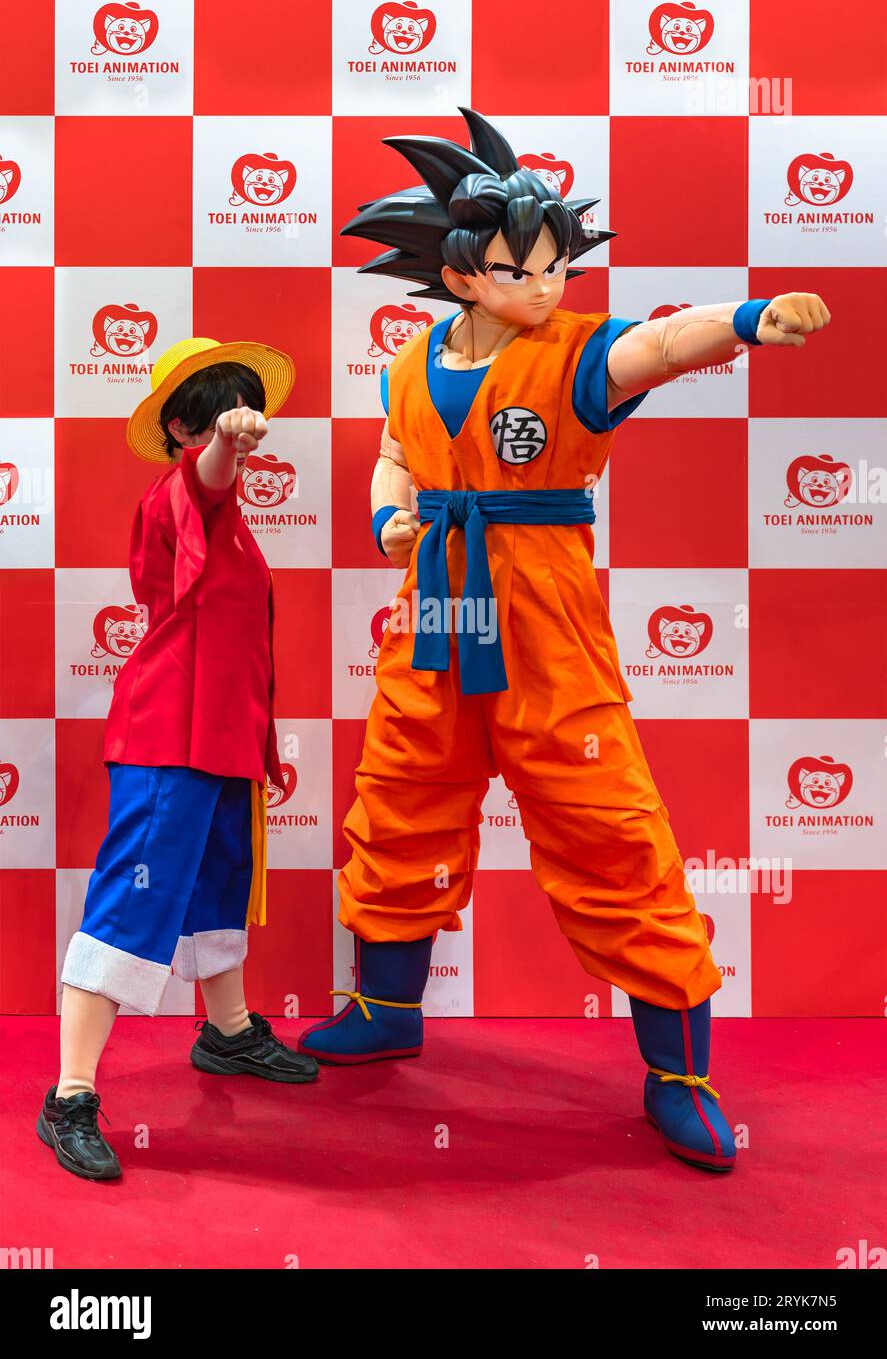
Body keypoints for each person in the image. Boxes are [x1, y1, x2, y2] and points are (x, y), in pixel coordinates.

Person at [299, 108, 831, 1171]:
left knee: (609, 830)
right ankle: (384, 1007)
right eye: (516, 269)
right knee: (400, 794)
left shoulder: (575, 355)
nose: (543, 287)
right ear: (456, 274)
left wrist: (740, 317)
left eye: (553, 266)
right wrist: (384, 515)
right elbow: (395, 458)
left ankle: (677, 1074)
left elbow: (650, 346)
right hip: (437, 610)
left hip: (544, 621)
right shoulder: (409, 362)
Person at [39, 337, 318, 1182]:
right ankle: (71, 1095)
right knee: (131, 901)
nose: (238, 423)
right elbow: (211, 476)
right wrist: (227, 442)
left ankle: (226, 1034)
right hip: (170, 736)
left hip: (222, 739)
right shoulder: (181, 496)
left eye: (240, 405)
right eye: (213, 409)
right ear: (179, 427)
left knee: (212, 890)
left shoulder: (230, 527)